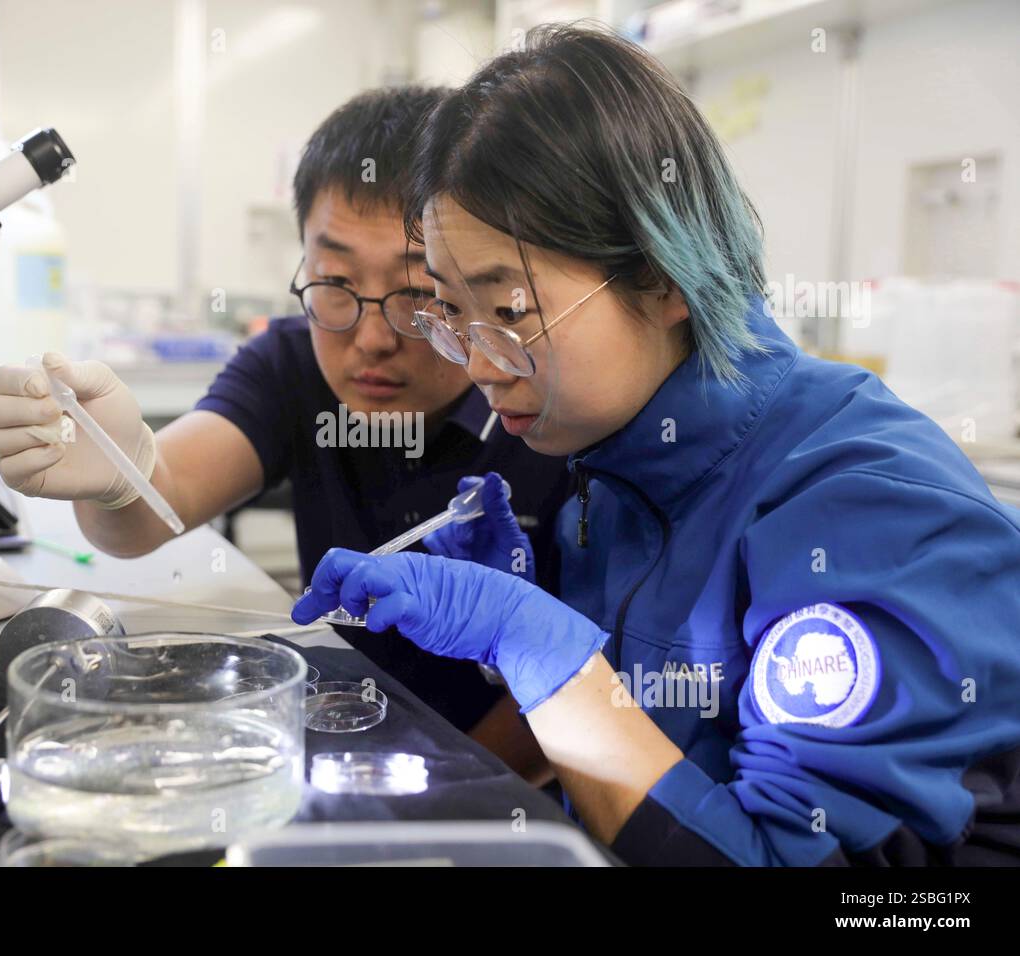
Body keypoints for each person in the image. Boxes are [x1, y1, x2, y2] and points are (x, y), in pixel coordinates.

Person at [293, 25, 1020, 865]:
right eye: (452, 311)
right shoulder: (616, 469)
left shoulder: (866, 508)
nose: (478, 362)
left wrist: (543, 655)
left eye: (511, 312)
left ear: (664, 274)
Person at [0, 87, 574, 773]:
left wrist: (445, 791)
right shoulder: (293, 362)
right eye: (334, 281)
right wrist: (119, 476)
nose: (372, 338)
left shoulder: (547, 410)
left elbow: (590, 690)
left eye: (418, 294)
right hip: (343, 739)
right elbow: (154, 507)